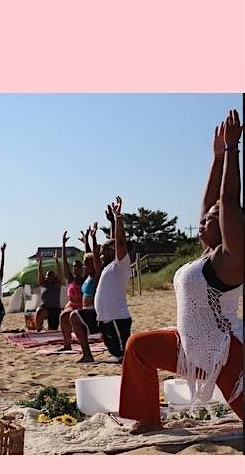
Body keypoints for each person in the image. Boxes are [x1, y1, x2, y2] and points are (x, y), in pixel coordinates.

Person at [119, 110, 243, 433]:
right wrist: (216, 158)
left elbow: (228, 199)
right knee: (137, 348)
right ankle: (147, 419)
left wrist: (232, 151)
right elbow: (212, 202)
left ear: (229, 227)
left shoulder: (230, 260)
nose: (203, 219)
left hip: (226, 358)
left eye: (213, 218)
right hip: (189, 348)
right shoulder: (206, 257)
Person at [70, 199, 132, 363]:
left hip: (117, 319)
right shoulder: (107, 267)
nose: (101, 255)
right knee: (75, 317)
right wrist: (111, 221)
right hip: (103, 319)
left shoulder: (121, 265)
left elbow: (118, 242)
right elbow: (112, 242)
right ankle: (87, 355)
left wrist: (118, 218)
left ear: (114, 252)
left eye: (105, 252)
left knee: (122, 357)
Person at [35, 253, 64, 331]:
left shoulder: (57, 283)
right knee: (39, 311)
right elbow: (40, 272)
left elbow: (60, 271)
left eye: (51, 275)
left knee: (52, 330)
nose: (49, 277)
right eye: (48, 275)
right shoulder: (43, 283)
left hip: (55, 309)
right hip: (45, 308)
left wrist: (56, 260)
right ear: (45, 277)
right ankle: (38, 330)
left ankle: (49, 328)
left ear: (54, 277)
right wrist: (40, 261)